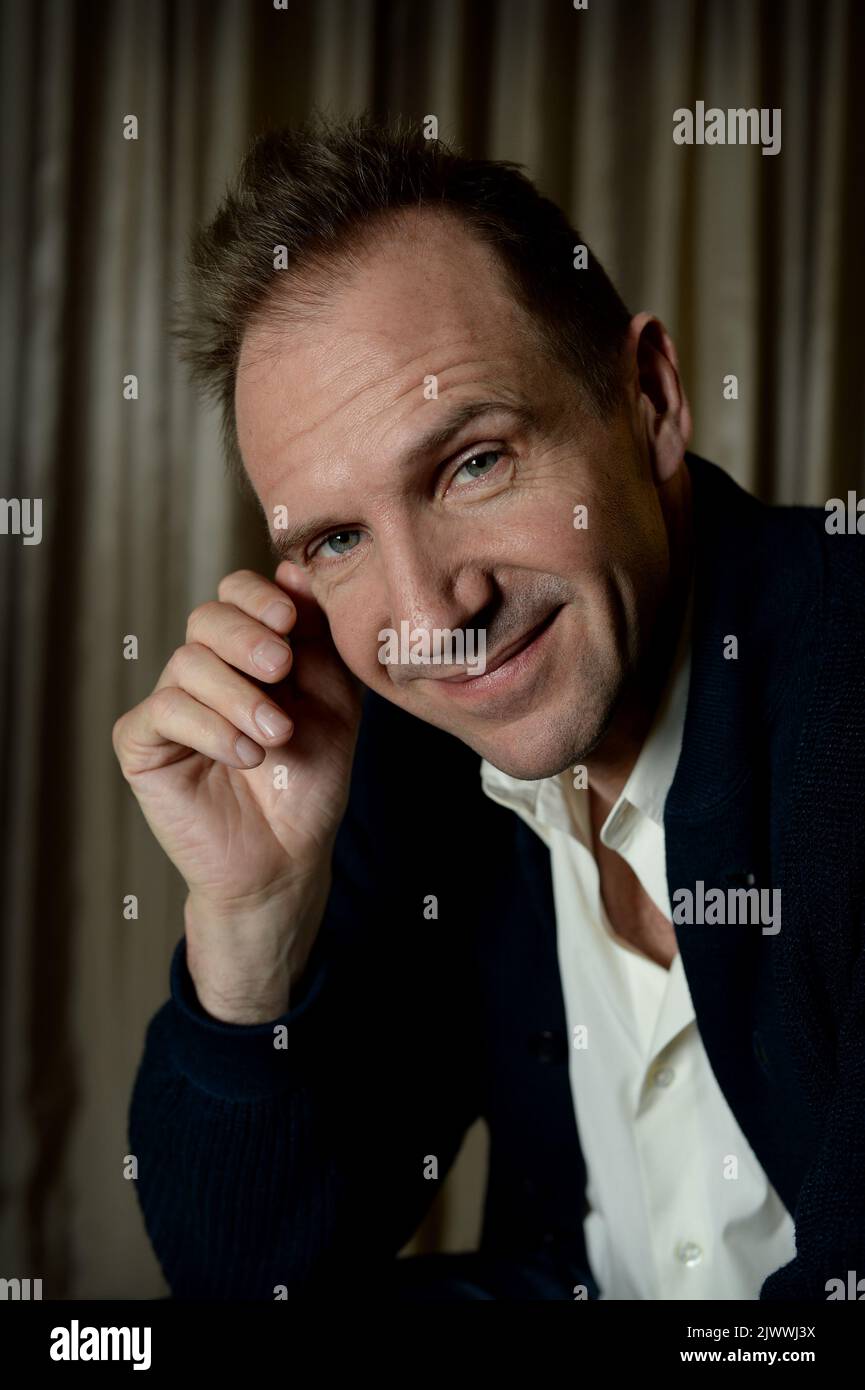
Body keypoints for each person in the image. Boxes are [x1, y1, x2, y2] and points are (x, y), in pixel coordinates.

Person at [113, 113, 865, 1301]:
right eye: (339, 537)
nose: (428, 612)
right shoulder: (418, 750)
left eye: (473, 462)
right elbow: (247, 1272)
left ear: (651, 400)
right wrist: (250, 919)